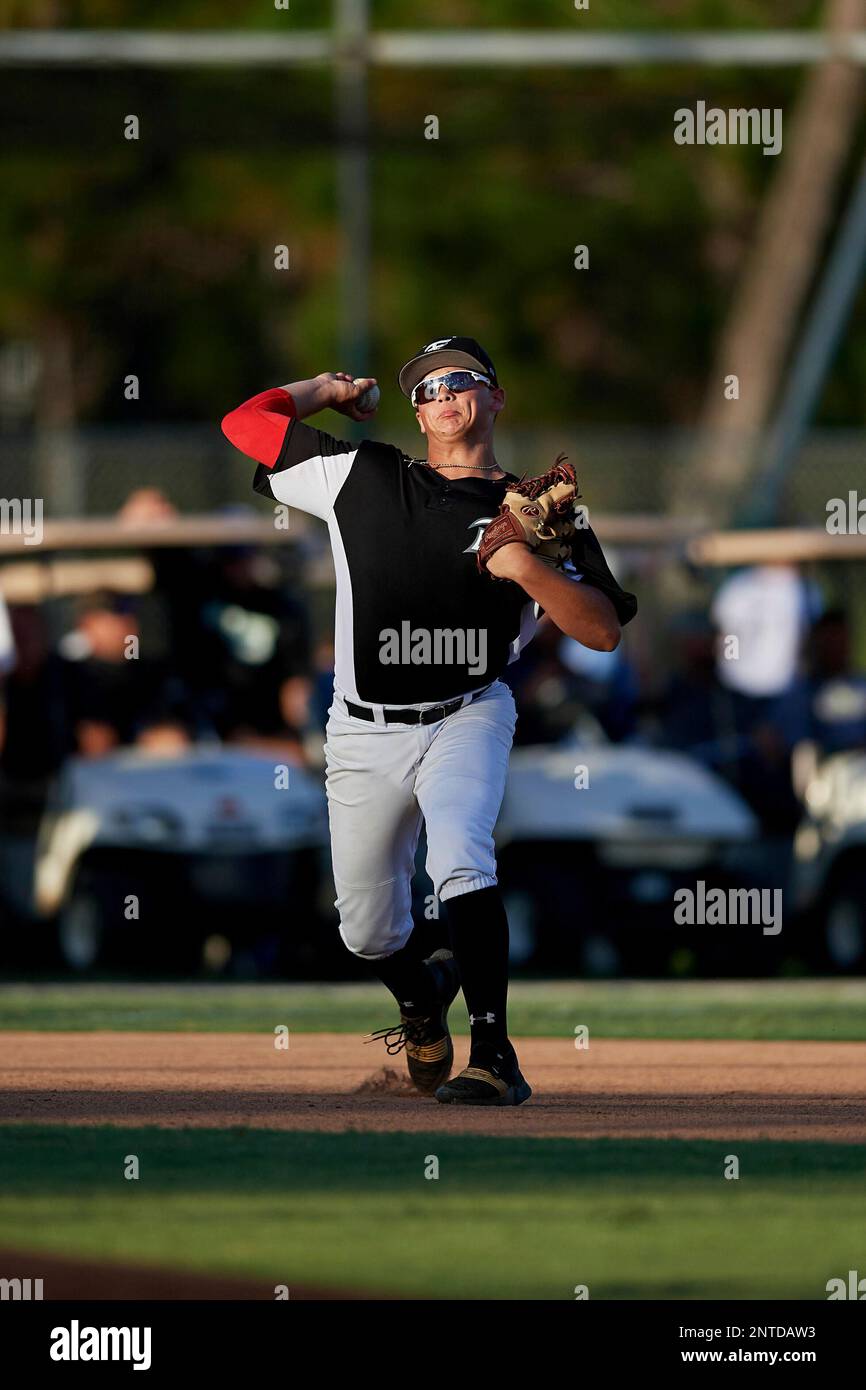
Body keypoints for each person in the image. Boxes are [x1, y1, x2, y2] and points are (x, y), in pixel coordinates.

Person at [222, 336, 637, 1105]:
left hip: (467, 713)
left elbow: (604, 631)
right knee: (366, 930)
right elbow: (245, 422)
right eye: (428, 388)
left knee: (460, 856)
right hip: (361, 726)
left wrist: (528, 569)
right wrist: (327, 388)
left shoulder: (536, 515)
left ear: (497, 396)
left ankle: (494, 1056)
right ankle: (423, 995)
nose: (444, 396)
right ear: (416, 411)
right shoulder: (364, 475)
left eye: (463, 381)